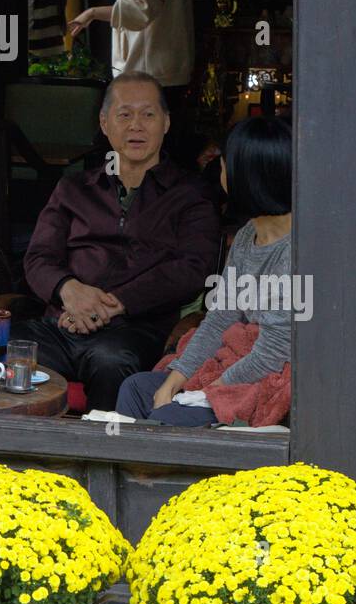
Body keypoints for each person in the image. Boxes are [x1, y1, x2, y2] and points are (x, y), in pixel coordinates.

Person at [12, 71, 220, 410]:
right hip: (59, 325)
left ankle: (104, 461)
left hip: (135, 331)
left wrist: (115, 303)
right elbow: (38, 258)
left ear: (166, 123)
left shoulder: (191, 195)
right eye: (124, 114)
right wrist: (69, 291)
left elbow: (192, 269)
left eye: (148, 114)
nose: (136, 125)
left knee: (110, 359)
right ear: (104, 122)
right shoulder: (74, 188)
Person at [116, 116, 292, 427]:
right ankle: (137, 475)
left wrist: (210, 391)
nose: (220, 172)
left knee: (170, 415)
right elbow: (220, 318)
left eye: (224, 164)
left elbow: (274, 352)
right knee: (137, 390)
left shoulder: (296, 250)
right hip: (235, 364)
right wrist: (174, 381)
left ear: (246, 175)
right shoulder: (246, 238)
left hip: (271, 378)